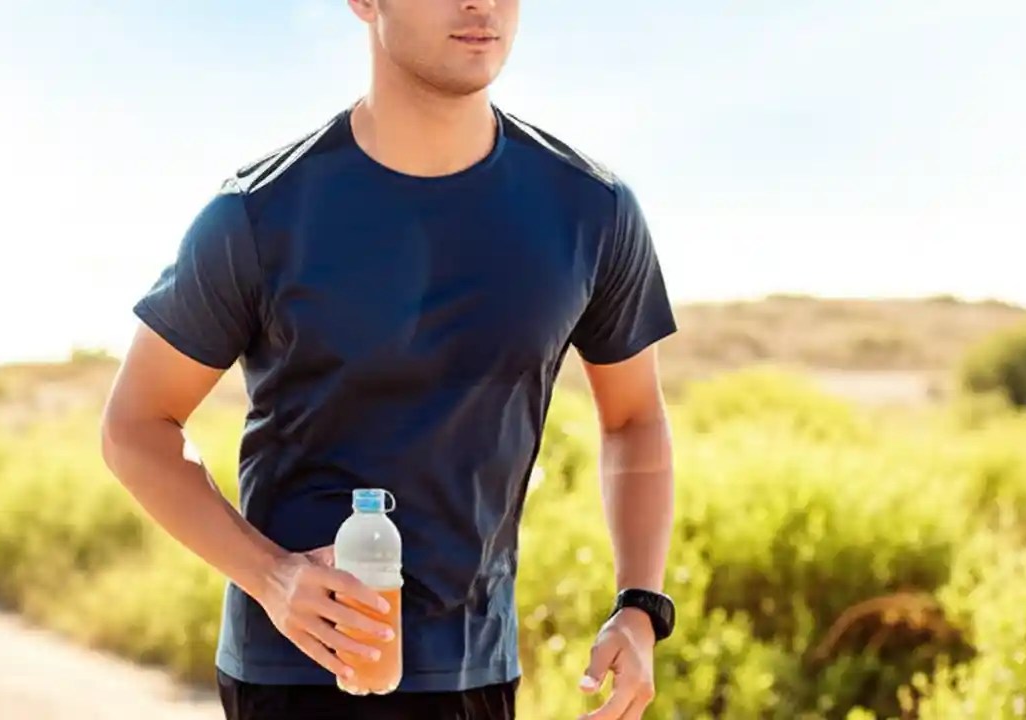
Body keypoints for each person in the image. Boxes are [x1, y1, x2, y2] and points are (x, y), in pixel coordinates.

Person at [100, 1, 678, 718]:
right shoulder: (259, 213)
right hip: (297, 677)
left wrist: (639, 605)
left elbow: (634, 420)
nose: (482, 3)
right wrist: (273, 577)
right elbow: (136, 425)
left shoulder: (592, 211)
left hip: (477, 674)